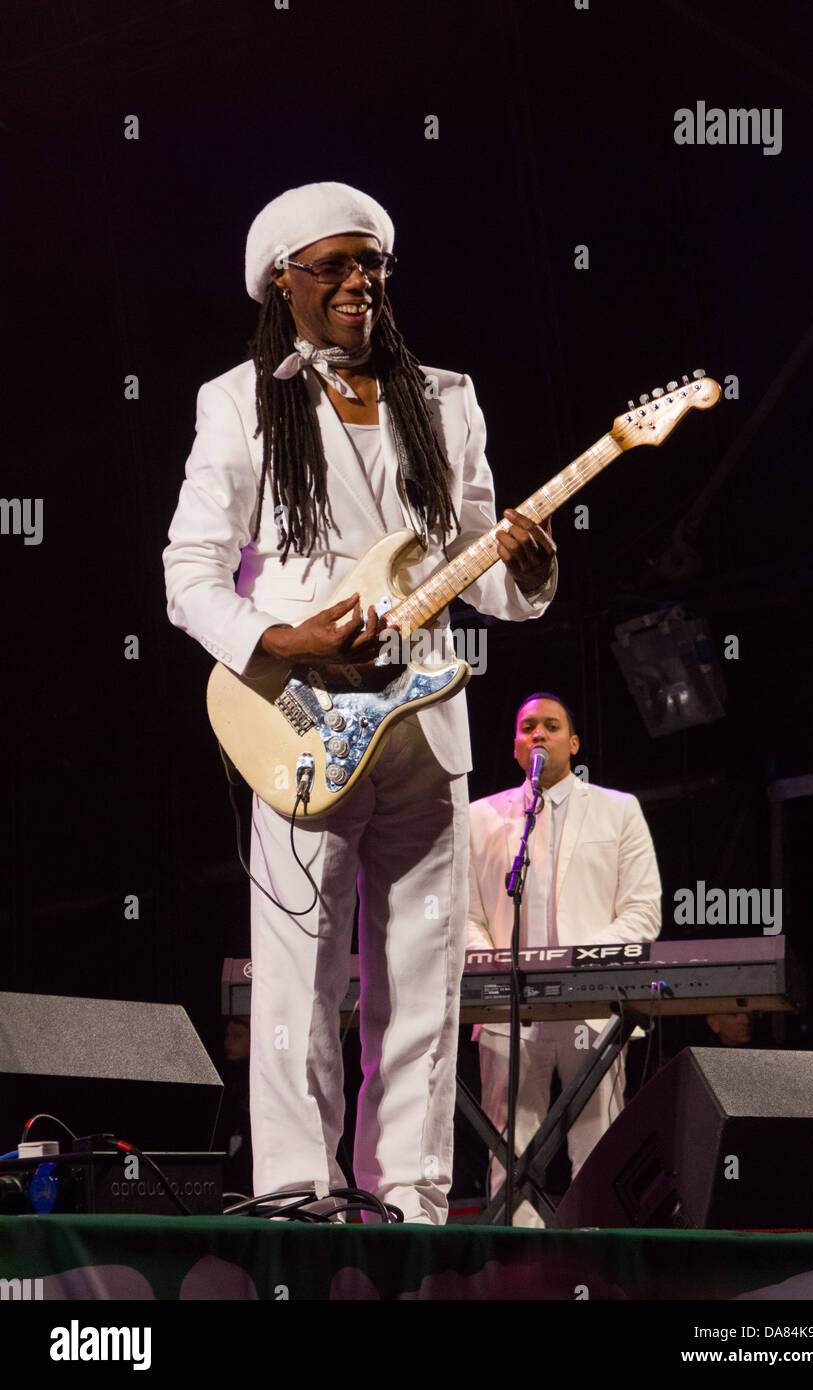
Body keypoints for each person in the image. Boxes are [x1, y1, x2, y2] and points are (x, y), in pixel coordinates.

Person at [163, 182, 557, 1223]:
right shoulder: (239, 401)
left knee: (424, 976)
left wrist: (525, 568)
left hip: (425, 723)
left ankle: (413, 1199)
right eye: (332, 265)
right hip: (298, 716)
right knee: (298, 971)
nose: (356, 282)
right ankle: (299, 1190)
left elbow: (484, 573)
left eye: (369, 263)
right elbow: (189, 574)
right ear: (280, 281)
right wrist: (278, 638)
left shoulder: (445, 399)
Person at [466, 692, 661, 1225]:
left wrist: (580, 969)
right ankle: (515, 1270)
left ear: (572, 744)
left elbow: (642, 912)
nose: (539, 734)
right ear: (514, 745)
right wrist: (493, 976)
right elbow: (462, 916)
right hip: (508, 1011)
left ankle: (593, 1263)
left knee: (598, 1147)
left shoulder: (619, 810)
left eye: (551, 726)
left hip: (594, 1008)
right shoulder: (478, 817)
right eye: (528, 726)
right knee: (509, 1150)